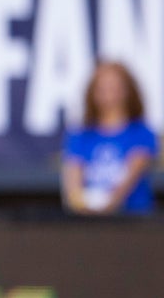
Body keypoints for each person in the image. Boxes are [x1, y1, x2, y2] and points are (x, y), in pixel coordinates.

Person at [61, 62, 158, 216]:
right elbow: (73, 182)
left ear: (128, 91)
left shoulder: (142, 133)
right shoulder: (79, 135)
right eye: (102, 88)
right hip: (89, 224)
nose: (109, 95)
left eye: (115, 88)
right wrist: (79, 202)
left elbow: (129, 179)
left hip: (133, 222)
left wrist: (107, 204)